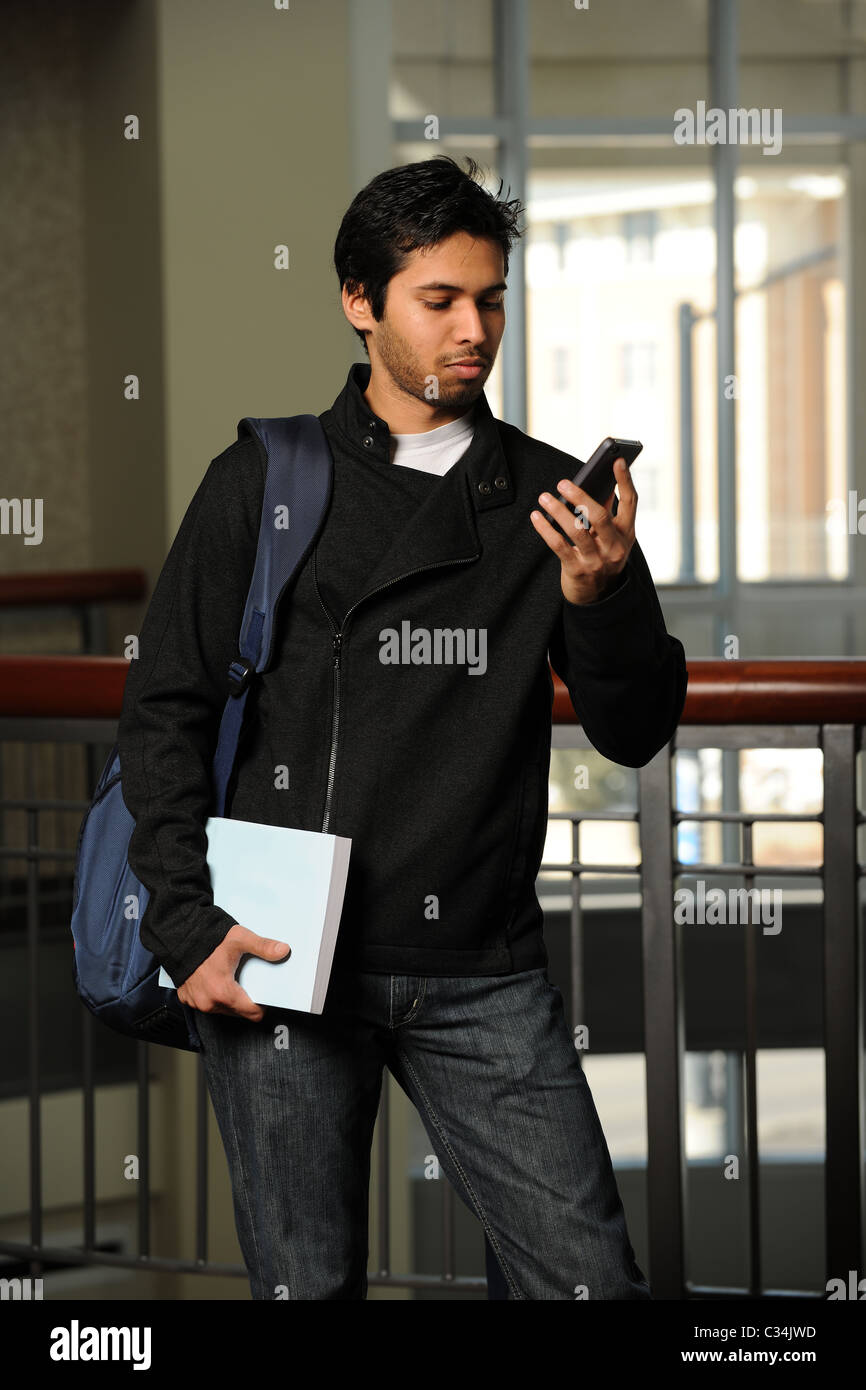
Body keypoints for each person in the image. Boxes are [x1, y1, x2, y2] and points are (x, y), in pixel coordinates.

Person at [118, 154, 688, 1300]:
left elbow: (633, 729)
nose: (472, 329)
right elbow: (166, 706)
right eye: (439, 300)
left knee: (587, 1281)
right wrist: (187, 926)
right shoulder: (262, 477)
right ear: (358, 301)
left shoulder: (547, 500)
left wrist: (602, 594)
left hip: (482, 966)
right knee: (306, 1285)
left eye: (490, 300)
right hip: (280, 954)